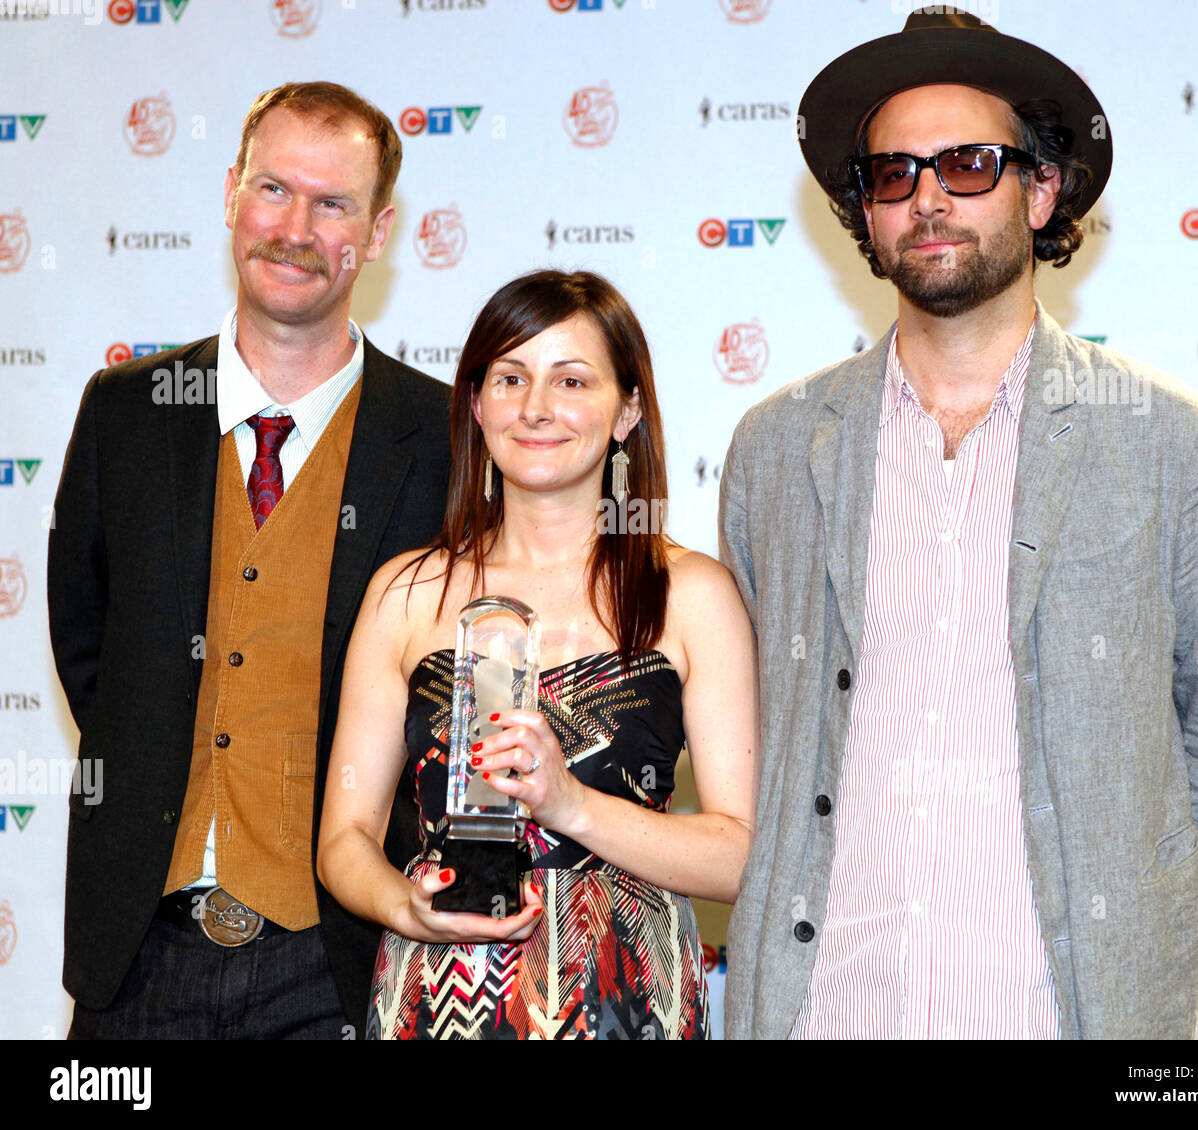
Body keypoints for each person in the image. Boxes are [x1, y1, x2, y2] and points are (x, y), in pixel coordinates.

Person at [720, 11, 1198, 1040]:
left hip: (1064, 1014)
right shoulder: (776, 448)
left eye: (968, 164)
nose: (927, 197)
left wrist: (1133, 932)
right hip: (824, 1006)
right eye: (892, 173)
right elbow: (745, 729)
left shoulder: (1164, 440)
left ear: (1043, 188)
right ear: (865, 210)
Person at [48, 81, 452, 1039]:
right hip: (135, 954)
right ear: (231, 194)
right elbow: (89, 649)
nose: (294, 228)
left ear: (380, 228)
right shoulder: (124, 412)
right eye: (273, 190)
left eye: (332, 203)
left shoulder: (442, 437)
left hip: (341, 963)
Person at [317, 269, 757, 1040]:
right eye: (511, 378)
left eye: (572, 380)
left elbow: (740, 857)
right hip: (437, 997)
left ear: (627, 411)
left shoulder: (690, 595)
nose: (536, 408)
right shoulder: (406, 594)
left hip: (626, 999)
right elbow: (344, 839)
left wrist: (571, 805)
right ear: (477, 404)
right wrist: (403, 905)